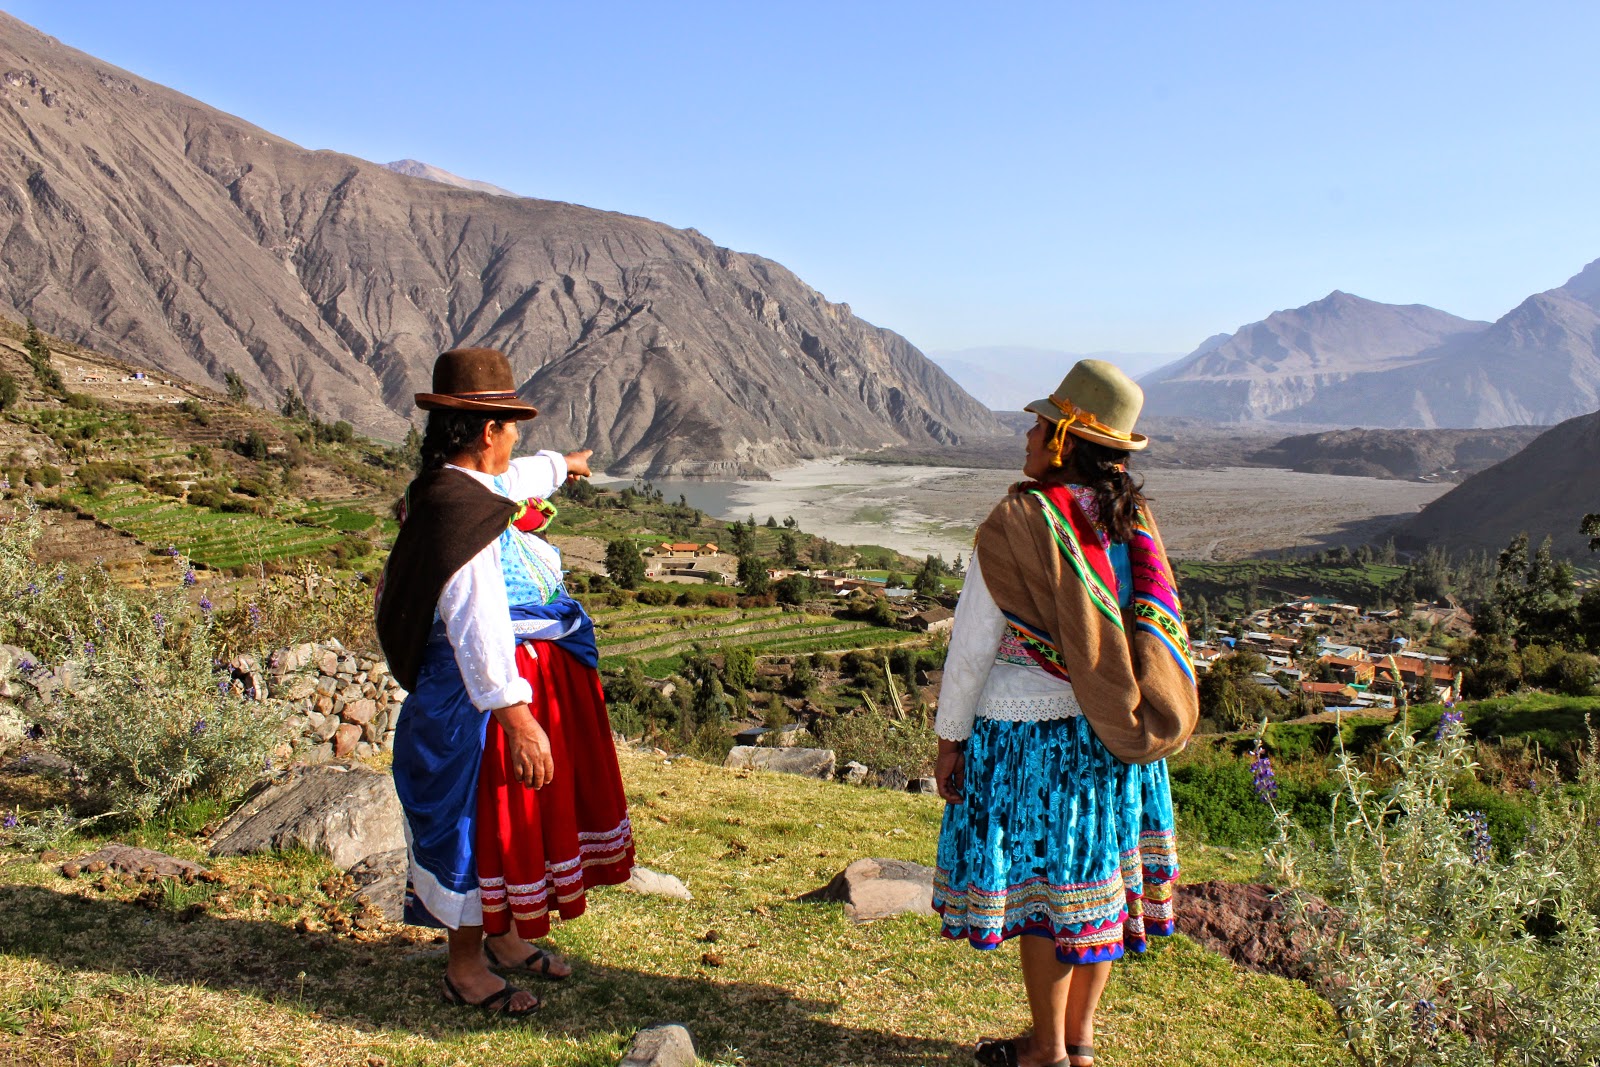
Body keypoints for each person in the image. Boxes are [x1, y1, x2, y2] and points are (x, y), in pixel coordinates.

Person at [931, 360, 1198, 1067]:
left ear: (1065, 438)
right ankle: (1078, 1041)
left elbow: (973, 644)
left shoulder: (1022, 521)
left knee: (1049, 899)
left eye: (1041, 422)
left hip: (1031, 743)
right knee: (1096, 887)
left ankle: (1043, 1050)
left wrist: (950, 738)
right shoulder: (1133, 521)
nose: (1028, 432)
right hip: (1116, 738)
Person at [376, 347, 635, 1018]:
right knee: (481, 823)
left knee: (506, 821)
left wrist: (563, 466)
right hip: (476, 703)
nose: (518, 436)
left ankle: (508, 936)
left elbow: (518, 476)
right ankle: (464, 966)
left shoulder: (457, 487)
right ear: (487, 430)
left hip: (493, 690)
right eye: (511, 424)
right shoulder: (461, 520)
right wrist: (517, 716)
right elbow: (478, 625)